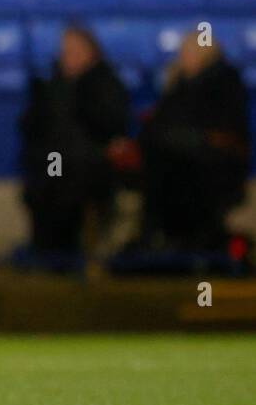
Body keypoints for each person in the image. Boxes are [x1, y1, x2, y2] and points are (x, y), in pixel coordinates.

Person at [19, 25, 129, 267]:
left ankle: (67, 257)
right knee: (45, 183)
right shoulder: (53, 87)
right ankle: (48, 254)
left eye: (75, 50)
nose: (68, 56)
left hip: (90, 167)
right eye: (65, 51)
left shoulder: (106, 84)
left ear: (91, 52)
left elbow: (111, 124)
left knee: (69, 184)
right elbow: (32, 127)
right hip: (52, 165)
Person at [137, 34, 249, 257]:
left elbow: (221, 136)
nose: (180, 59)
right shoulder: (180, 83)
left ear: (204, 56)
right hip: (176, 163)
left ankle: (182, 246)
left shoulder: (224, 83)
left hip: (211, 169)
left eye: (185, 54)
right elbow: (158, 125)